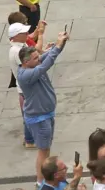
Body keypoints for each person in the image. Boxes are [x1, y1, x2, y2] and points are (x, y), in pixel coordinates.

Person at [16, 26, 69, 170]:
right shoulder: (27, 75)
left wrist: (61, 43)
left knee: (46, 149)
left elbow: (48, 56)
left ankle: (47, 175)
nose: (38, 59)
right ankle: (41, 181)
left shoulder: (33, 65)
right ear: (26, 62)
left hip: (46, 114)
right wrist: (56, 46)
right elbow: (46, 63)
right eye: (35, 58)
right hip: (39, 118)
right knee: (43, 151)